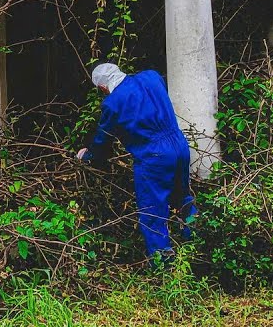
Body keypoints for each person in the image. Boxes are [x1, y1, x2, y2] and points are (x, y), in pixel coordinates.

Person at [76, 63, 196, 264]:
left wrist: (88, 155)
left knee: (152, 210)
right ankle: (198, 241)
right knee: (182, 196)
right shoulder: (151, 75)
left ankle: (163, 263)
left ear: (103, 88)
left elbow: (103, 141)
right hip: (179, 145)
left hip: (154, 155)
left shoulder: (113, 103)